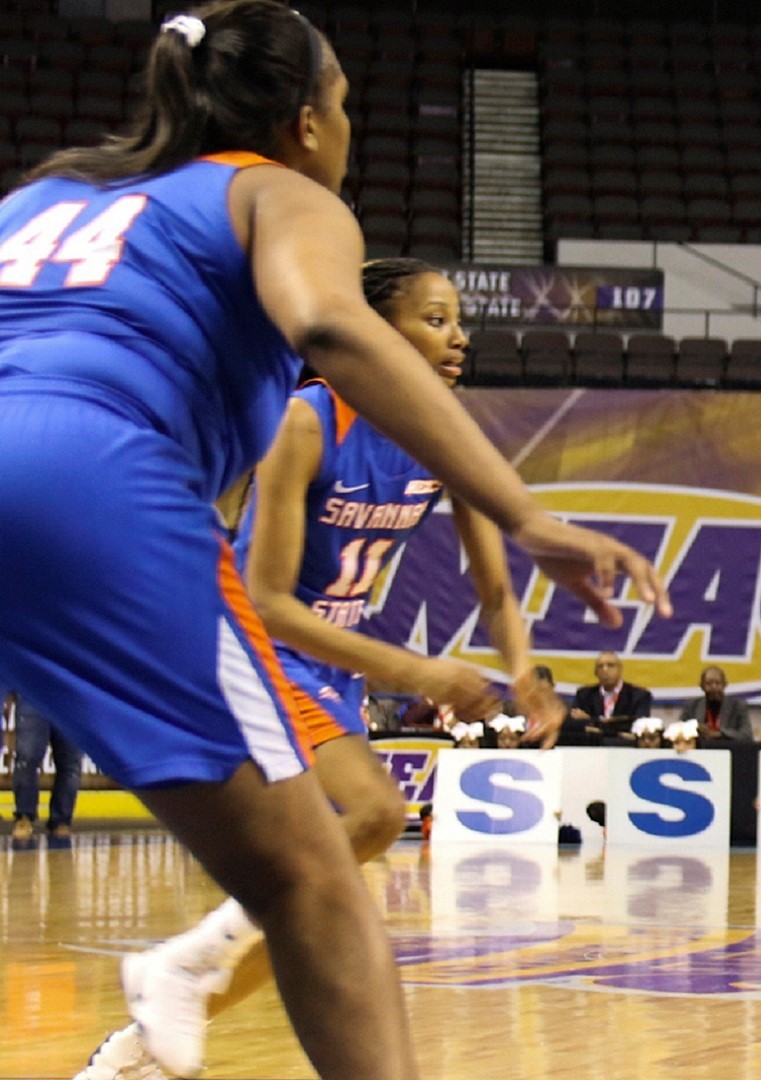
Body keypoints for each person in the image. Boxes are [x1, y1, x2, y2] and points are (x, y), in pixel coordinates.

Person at [2, 11, 662, 1074]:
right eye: (346, 103)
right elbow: (331, 327)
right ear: (307, 122)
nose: (348, 126)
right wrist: (530, 512)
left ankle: (168, 994)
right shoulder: (276, 192)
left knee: (350, 825)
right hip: (94, 473)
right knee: (312, 878)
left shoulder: (46, 195)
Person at [84, 257, 580, 1078]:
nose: (458, 335)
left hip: (327, 667)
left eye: (458, 320)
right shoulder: (306, 422)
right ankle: (175, 969)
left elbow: (492, 580)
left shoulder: (443, 429)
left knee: (319, 900)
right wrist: (418, 673)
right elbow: (269, 601)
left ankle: (144, 1042)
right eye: (434, 318)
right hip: (249, 643)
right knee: (377, 814)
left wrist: (524, 671)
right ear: (378, 332)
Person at [9, 693, 83, 845]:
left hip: (72, 698)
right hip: (33, 692)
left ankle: (61, 821)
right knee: (27, 758)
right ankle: (24, 817)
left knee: (70, 764)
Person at [566, 651, 651, 745]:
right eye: (600, 666)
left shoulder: (639, 695)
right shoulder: (584, 694)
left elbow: (636, 726)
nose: (605, 670)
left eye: (610, 665)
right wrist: (615, 726)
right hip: (592, 747)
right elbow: (576, 725)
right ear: (595, 672)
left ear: (620, 669)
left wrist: (592, 721)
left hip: (625, 748)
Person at [679, 666, 754, 743]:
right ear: (701, 686)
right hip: (700, 751)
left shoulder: (738, 706)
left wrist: (719, 734)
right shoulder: (692, 705)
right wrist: (695, 729)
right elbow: (677, 731)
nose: (714, 687)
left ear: (725, 685)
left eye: (717, 683)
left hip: (728, 750)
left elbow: (747, 736)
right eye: (709, 683)